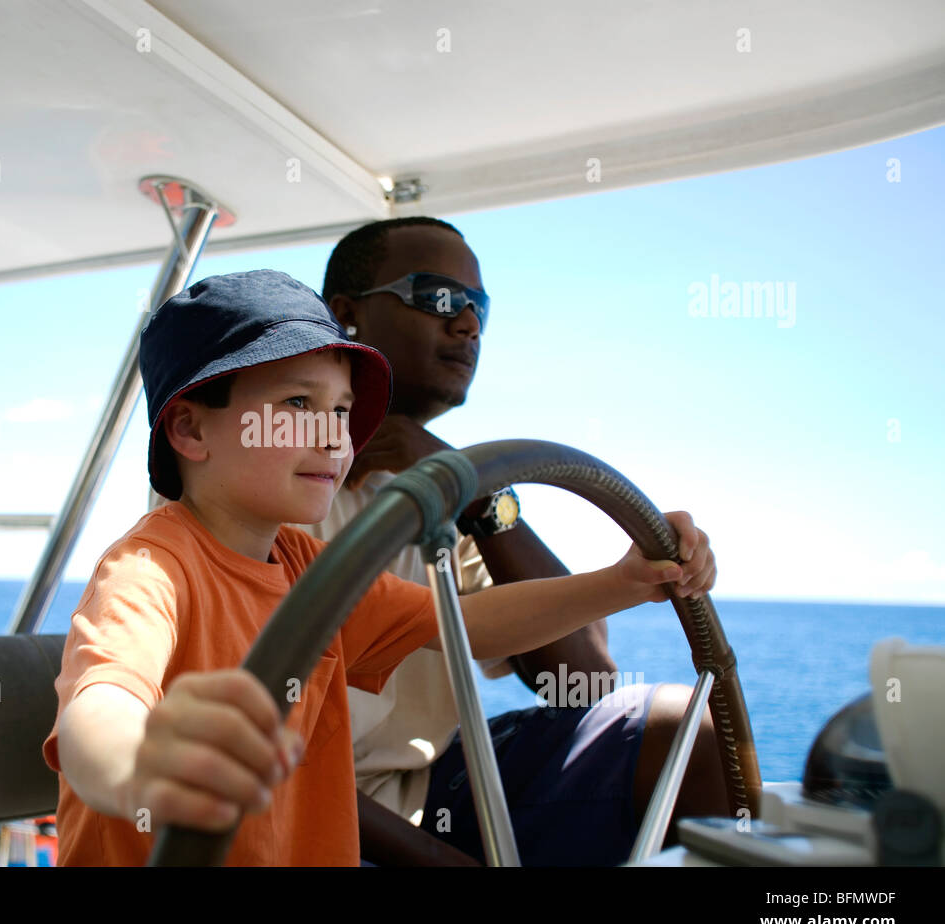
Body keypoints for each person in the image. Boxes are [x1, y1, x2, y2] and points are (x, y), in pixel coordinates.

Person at [43, 268, 716, 865]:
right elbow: (98, 711)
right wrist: (144, 765)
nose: (335, 435)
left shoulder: (309, 566)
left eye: (340, 409)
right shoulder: (150, 569)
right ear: (190, 431)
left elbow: (466, 627)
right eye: (298, 406)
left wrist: (624, 582)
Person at [302, 216, 728, 866]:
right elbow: (249, 748)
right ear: (346, 314)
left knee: (686, 734)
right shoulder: (262, 472)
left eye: (479, 308)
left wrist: (472, 490)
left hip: (431, 789)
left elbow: (580, 682)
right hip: (286, 809)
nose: (468, 325)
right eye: (441, 299)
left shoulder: (451, 498)